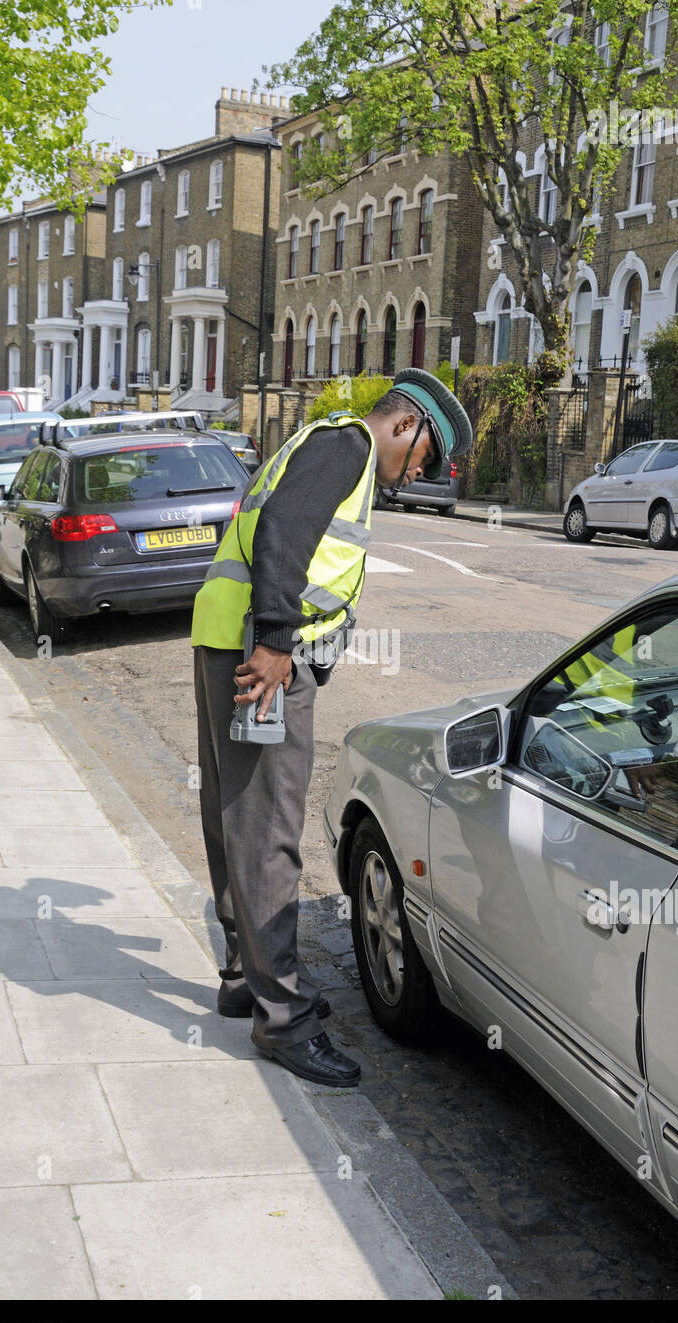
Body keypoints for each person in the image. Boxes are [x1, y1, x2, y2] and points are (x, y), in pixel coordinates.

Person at [191, 368, 473, 1087]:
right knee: (271, 834)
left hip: (227, 640)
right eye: (420, 461)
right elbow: (284, 529)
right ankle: (283, 1019)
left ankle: (240, 977)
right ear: (405, 427)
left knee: (236, 824)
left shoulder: (319, 442)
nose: (413, 478)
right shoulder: (347, 447)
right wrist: (278, 643)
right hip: (260, 658)